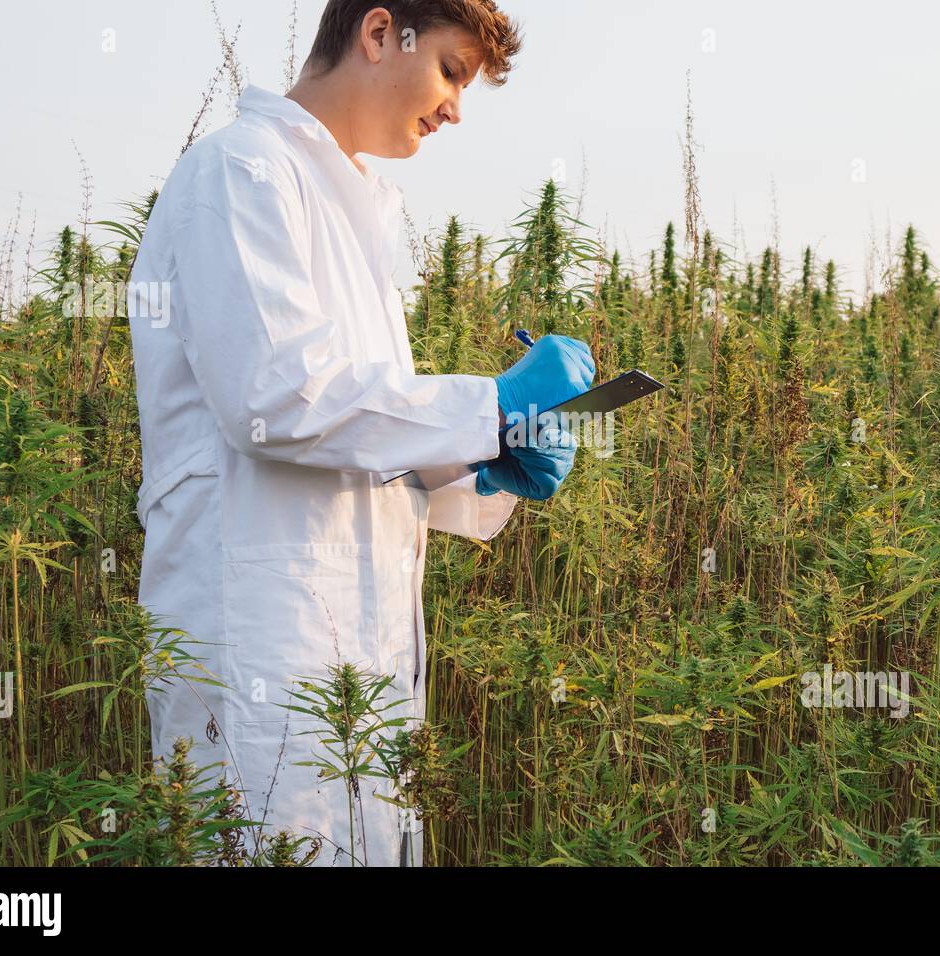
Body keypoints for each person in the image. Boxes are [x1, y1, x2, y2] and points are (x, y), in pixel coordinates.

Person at [126, 0, 593, 866]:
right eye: (452, 71)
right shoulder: (239, 173)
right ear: (380, 34)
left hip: (359, 668)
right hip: (260, 647)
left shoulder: (355, 217)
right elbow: (277, 395)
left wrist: (478, 465)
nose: (457, 107)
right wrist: (488, 405)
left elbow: (358, 437)